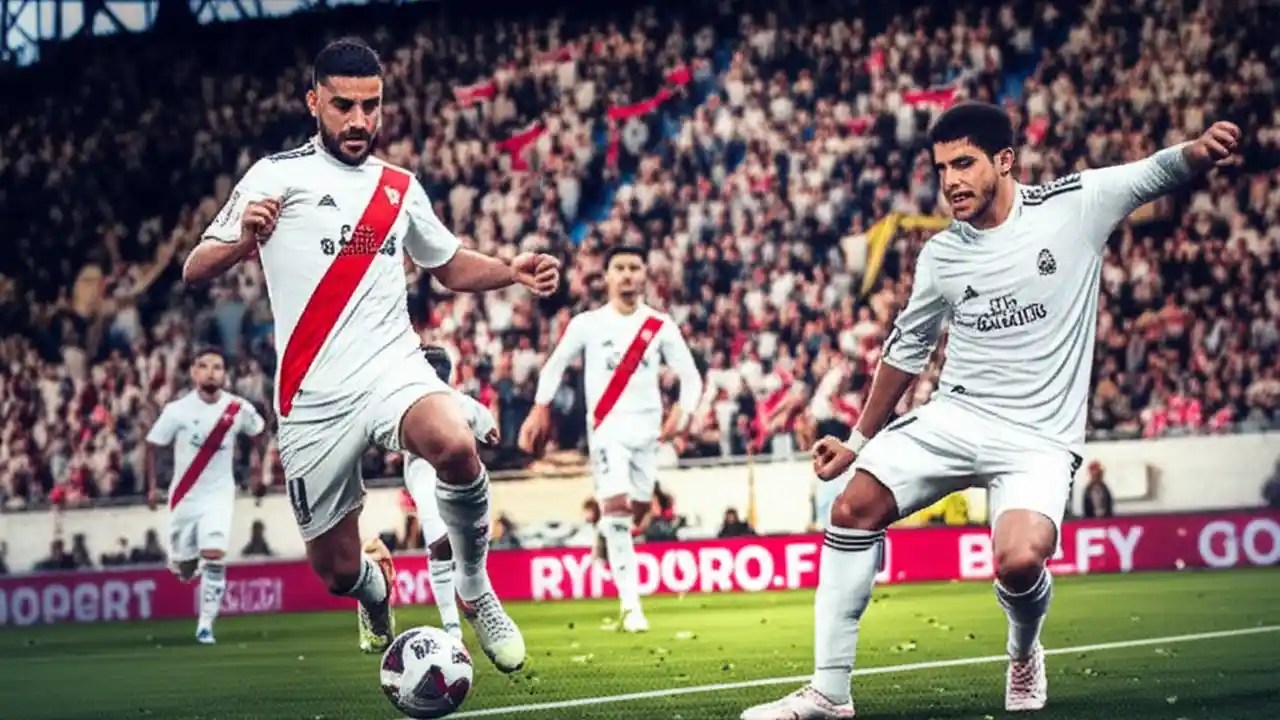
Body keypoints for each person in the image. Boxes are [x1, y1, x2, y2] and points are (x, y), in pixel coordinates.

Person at [741, 103, 1240, 719]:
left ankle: (1024, 651)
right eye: (941, 167)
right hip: (956, 416)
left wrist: (1201, 148)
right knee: (852, 506)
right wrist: (858, 440)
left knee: (1019, 559)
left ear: (1004, 161)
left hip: (1038, 436)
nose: (950, 180)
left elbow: (1150, 173)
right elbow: (907, 349)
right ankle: (828, 694)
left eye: (964, 163)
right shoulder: (941, 255)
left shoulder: (1072, 207)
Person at [182, 38, 558, 668]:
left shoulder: (399, 187)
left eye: (370, 106)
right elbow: (196, 267)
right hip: (310, 396)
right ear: (314, 103)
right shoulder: (275, 177)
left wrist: (509, 269)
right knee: (336, 570)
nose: (359, 121)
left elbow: (449, 265)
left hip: (392, 369)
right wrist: (244, 239)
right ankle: (374, 590)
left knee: (455, 443)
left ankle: (474, 585)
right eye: (343, 106)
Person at [519, 245, 703, 633]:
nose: (627, 275)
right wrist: (540, 408)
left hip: (648, 431)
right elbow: (554, 366)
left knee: (636, 512)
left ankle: (605, 532)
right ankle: (631, 607)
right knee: (618, 510)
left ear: (644, 275)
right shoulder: (588, 324)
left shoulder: (660, 325)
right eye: (619, 267)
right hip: (607, 428)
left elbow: (691, 376)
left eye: (635, 267)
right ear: (606, 276)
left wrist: (683, 412)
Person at [144, 347, 266, 644]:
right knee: (184, 569)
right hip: (185, 496)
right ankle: (187, 562)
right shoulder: (177, 410)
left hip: (219, 495)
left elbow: (259, 433)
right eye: (204, 366)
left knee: (214, 554)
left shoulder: (238, 408)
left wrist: (257, 470)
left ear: (224, 373)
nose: (211, 371)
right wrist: (151, 485)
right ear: (194, 373)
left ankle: (205, 626)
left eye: (217, 366)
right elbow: (152, 444)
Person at [398, 344, 499, 641]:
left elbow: (489, 431)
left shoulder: (452, 400)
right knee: (441, 543)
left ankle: (466, 607)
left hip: (452, 474)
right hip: (424, 471)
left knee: (458, 545)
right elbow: (491, 432)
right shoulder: (420, 400)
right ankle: (452, 629)